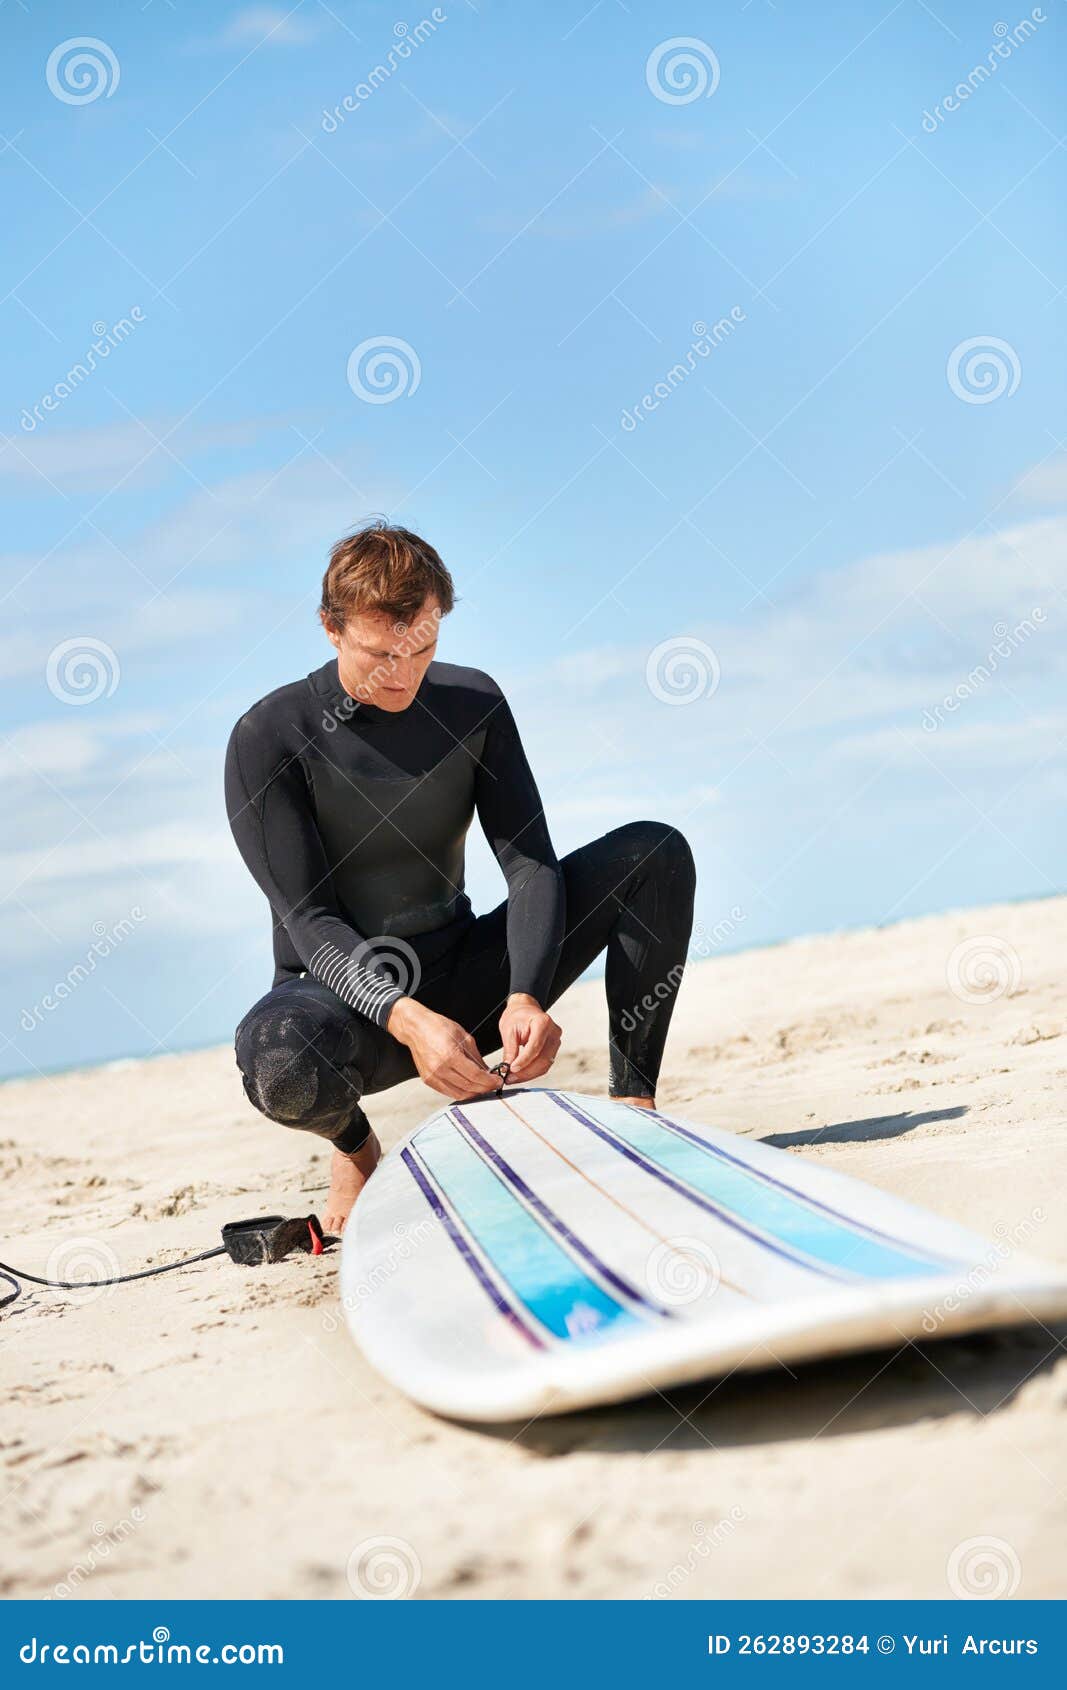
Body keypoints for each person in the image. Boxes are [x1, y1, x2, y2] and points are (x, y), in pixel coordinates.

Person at [225, 521, 695, 1232]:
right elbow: (310, 923)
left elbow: (529, 863)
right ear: (330, 627)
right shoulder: (270, 736)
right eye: (380, 653)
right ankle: (353, 1146)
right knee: (279, 1064)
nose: (403, 674)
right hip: (343, 1009)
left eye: (423, 647)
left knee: (653, 853)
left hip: (464, 975)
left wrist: (525, 993)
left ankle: (636, 1109)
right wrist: (409, 1021)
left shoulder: (473, 706)